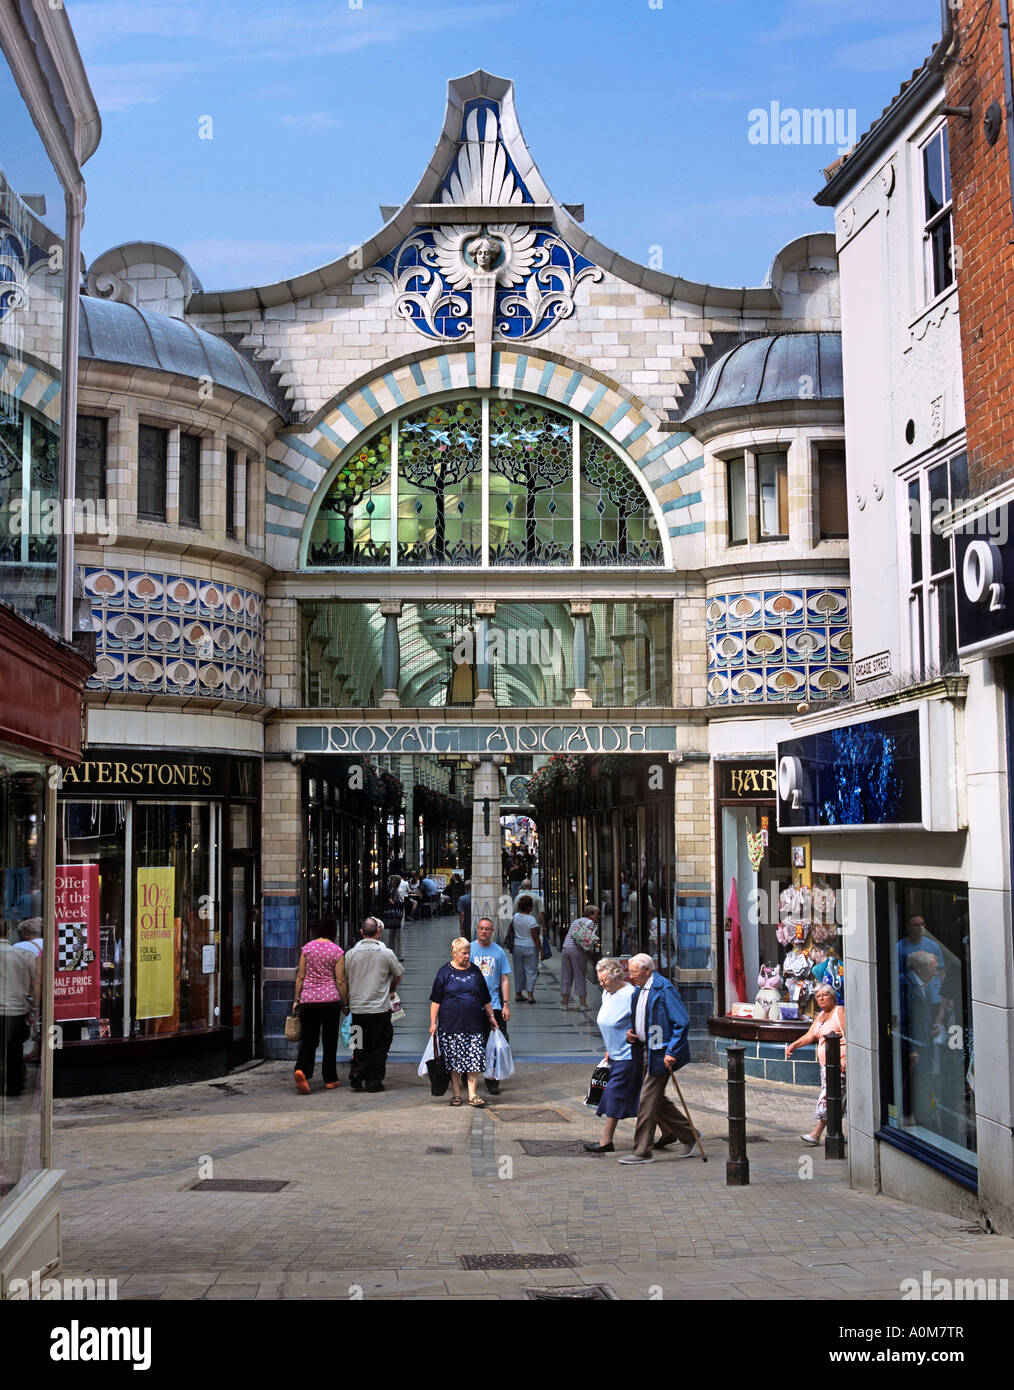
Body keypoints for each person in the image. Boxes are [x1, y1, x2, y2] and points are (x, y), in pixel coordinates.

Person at [619, 953, 696, 1164]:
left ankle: (642, 1151)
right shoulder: (639, 989)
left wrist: (672, 1052)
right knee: (656, 1100)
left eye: (633, 972)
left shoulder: (665, 989)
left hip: (661, 1054)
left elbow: (682, 1022)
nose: (630, 976)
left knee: (646, 1101)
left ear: (646, 971)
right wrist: (631, 1031)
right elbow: (640, 1017)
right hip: (644, 1049)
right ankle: (690, 1135)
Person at [429, 936, 499, 1106]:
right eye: (463, 953)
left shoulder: (475, 971)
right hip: (450, 1024)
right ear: (454, 953)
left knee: (474, 1059)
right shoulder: (444, 972)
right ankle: (456, 1094)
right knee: (454, 1061)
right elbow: (436, 1001)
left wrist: (491, 1017)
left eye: (468, 953)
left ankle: (473, 1095)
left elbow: (485, 998)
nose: (467, 956)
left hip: (473, 1024)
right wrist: (433, 1023)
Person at [339, 916, 403, 1092]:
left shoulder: (350, 954)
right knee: (379, 1045)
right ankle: (374, 1081)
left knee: (358, 1043)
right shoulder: (386, 953)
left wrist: (346, 1003)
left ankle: (357, 1073)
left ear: (361, 932)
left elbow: (344, 979)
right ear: (379, 932)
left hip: (358, 1009)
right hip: (379, 1010)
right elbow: (398, 974)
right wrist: (391, 989)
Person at [585, 957, 641, 1154]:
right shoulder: (607, 993)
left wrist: (634, 1031)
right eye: (599, 981)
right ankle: (675, 1131)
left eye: (604, 981)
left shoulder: (631, 994)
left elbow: (641, 1019)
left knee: (614, 1094)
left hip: (628, 1055)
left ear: (616, 977)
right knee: (645, 1099)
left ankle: (605, 1141)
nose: (601, 984)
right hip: (615, 1054)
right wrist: (609, 1047)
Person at [787, 982, 846, 1144]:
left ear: (832, 997)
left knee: (829, 1098)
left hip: (839, 1065)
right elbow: (810, 1035)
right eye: (818, 996)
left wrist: (846, 1060)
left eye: (825, 995)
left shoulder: (839, 1012)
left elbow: (850, 1037)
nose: (821, 999)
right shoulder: (820, 1016)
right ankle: (837, 1134)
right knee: (837, 1100)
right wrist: (793, 1045)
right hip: (825, 1067)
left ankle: (816, 1133)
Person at [291, 917, 344, 1094]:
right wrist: (346, 1003)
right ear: (333, 931)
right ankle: (330, 1079)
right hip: (330, 1000)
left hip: (309, 1000)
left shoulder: (307, 948)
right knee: (329, 1040)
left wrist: (297, 999)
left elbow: (300, 976)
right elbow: (341, 980)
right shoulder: (337, 952)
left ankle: (302, 1070)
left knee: (309, 1038)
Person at [469, 916, 512, 1094]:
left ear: (492, 931)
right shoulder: (469, 949)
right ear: (477, 930)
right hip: (472, 1004)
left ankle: (492, 1077)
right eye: (481, 928)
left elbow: (504, 979)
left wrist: (506, 1004)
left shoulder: (499, 952)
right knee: (472, 1042)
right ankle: (469, 1075)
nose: (484, 931)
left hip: (493, 1004)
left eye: (487, 928)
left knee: (494, 1043)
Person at [1, 920, 38, 1097]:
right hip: (16, 1009)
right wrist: (35, 1007)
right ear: (8, 932)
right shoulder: (23, 955)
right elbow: (35, 982)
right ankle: (14, 1084)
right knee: (14, 1049)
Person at [561, 906, 600, 1011]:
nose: (598, 917)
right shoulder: (590, 923)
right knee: (580, 976)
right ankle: (583, 1004)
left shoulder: (576, 921)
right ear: (590, 915)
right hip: (577, 951)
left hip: (566, 948)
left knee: (566, 976)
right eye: (597, 914)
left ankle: (564, 1003)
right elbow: (587, 939)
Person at [511, 894, 541, 1003]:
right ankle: (530, 995)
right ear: (529, 907)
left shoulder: (515, 917)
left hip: (517, 946)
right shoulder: (531, 920)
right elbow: (535, 937)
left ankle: (518, 994)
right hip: (530, 947)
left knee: (518, 970)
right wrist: (541, 949)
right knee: (531, 970)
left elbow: (512, 930)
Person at [382, 874, 405, 961]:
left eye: (391, 880)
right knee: (393, 934)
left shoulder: (399, 891)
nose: (389, 882)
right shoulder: (394, 890)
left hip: (398, 916)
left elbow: (401, 903)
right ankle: (392, 952)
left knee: (397, 935)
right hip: (395, 916)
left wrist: (392, 902)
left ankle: (398, 954)